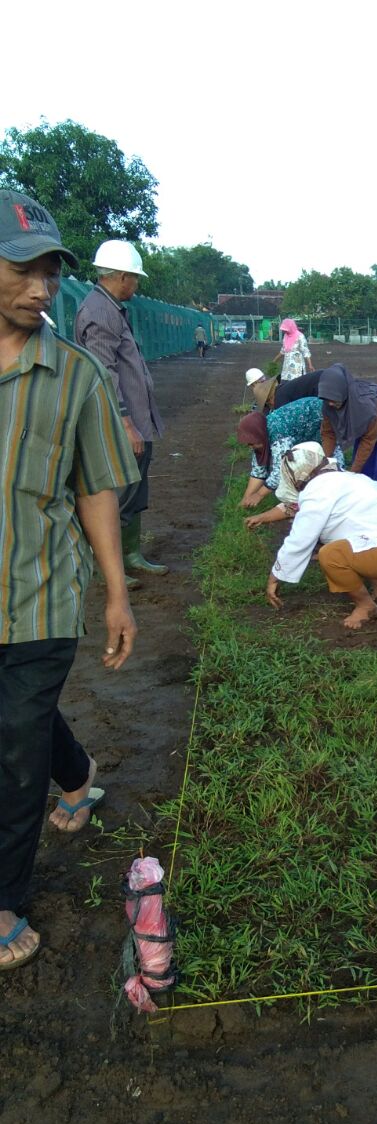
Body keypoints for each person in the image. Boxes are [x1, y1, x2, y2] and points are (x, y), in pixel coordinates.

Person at [0, 188, 140, 972]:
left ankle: (6, 899)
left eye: (52, 271)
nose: (43, 286)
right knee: (19, 723)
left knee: (14, 748)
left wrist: (116, 592)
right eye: (25, 268)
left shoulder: (76, 375)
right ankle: (79, 776)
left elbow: (95, 489)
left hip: (41, 593)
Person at [264, 444, 377, 630]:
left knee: (331, 555)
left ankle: (366, 606)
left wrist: (275, 575)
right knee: (341, 539)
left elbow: (300, 538)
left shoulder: (316, 491)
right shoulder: (347, 478)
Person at [74, 239, 168, 584]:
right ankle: (111, 564)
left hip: (135, 422)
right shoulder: (99, 313)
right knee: (119, 492)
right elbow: (105, 373)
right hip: (120, 425)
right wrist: (127, 424)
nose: (137, 284)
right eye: (135, 277)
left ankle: (130, 554)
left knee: (134, 487)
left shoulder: (110, 308)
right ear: (121, 276)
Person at [317, 363, 377, 491]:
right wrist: (325, 461)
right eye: (327, 399)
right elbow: (328, 433)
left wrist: (352, 473)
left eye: (334, 399)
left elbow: (368, 440)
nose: (330, 403)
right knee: (364, 472)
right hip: (365, 428)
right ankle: (364, 505)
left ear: (342, 391)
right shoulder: (328, 405)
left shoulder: (363, 404)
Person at [236, 395, 325, 509]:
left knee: (325, 457)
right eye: (249, 444)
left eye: (252, 444)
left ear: (258, 436)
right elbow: (258, 471)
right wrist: (246, 499)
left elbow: (281, 470)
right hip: (303, 424)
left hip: (319, 416)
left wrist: (259, 495)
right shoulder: (260, 432)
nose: (250, 447)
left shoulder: (278, 434)